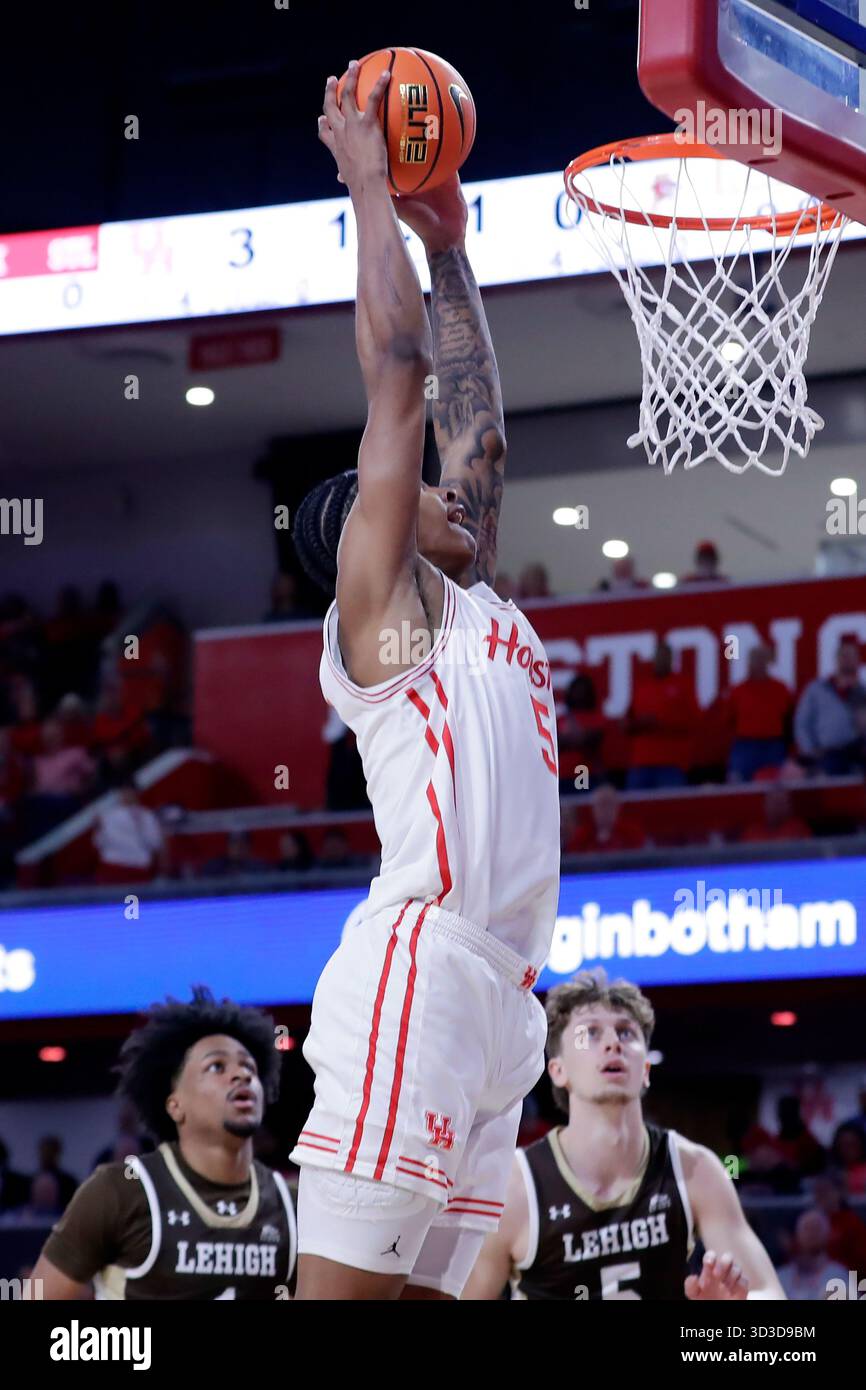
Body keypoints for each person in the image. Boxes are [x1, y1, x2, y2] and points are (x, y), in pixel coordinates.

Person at [286, 63, 560, 1301]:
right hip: (419, 974)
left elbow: (477, 427)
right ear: (367, 530)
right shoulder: (385, 614)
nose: (456, 491)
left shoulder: (475, 602)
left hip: (502, 1002)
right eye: (419, 492)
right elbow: (398, 374)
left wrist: (451, 248)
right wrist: (367, 186)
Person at [462, 971, 784, 1299]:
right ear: (558, 1070)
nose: (613, 1043)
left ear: (645, 1070)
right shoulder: (515, 1187)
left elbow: (768, 1291)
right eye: (591, 1033)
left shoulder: (695, 1168)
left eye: (626, 1032)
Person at [32, 988, 296, 1299]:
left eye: (249, 1068)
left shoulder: (291, 1204)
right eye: (217, 1067)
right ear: (175, 1104)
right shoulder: (120, 1191)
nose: (240, 1075)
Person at [624, 639, 698, 790]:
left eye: (665, 656)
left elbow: (693, 720)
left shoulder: (683, 685)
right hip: (641, 763)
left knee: (670, 810)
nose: (661, 660)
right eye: (659, 656)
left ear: (672, 659)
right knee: (636, 809)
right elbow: (629, 718)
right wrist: (632, 724)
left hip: (671, 763)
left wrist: (659, 722)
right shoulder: (642, 687)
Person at [794, 637, 866, 775]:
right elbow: (802, 722)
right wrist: (810, 749)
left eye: (851, 656)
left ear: (858, 661)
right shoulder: (817, 689)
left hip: (858, 751)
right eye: (844, 655)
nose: (847, 660)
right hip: (828, 752)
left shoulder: (862, 691)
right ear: (836, 659)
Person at [723, 644, 793, 782]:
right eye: (754, 659)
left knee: (777, 785)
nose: (758, 663)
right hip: (745, 745)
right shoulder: (737, 690)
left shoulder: (780, 689)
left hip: (773, 745)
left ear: (769, 661)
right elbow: (728, 720)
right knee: (739, 786)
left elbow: (788, 717)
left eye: (762, 658)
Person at [93, 782, 167, 885]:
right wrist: (98, 828)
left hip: (138, 869)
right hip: (112, 867)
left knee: (136, 900)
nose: (126, 795)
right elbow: (99, 843)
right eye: (123, 792)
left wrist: (140, 824)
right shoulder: (108, 815)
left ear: (136, 793)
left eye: (129, 792)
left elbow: (155, 843)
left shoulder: (147, 816)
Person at [776, 1210, 847, 1300]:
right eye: (807, 1229)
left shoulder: (839, 1275)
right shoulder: (781, 1277)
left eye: (816, 1229)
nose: (812, 1234)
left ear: (827, 1234)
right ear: (797, 1235)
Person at [567, 783, 647, 854]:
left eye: (609, 804)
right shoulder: (581, 837)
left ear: (617, 807)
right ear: (593, 809)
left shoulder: (632, 833)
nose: (606, 810)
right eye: (602, 805)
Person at [740, 785, 812, 844]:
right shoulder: (752, 832)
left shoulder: (799, 830)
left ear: (789, 806)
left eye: (781, 803)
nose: (777, 807)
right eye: (774, 803)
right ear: (765, 805)